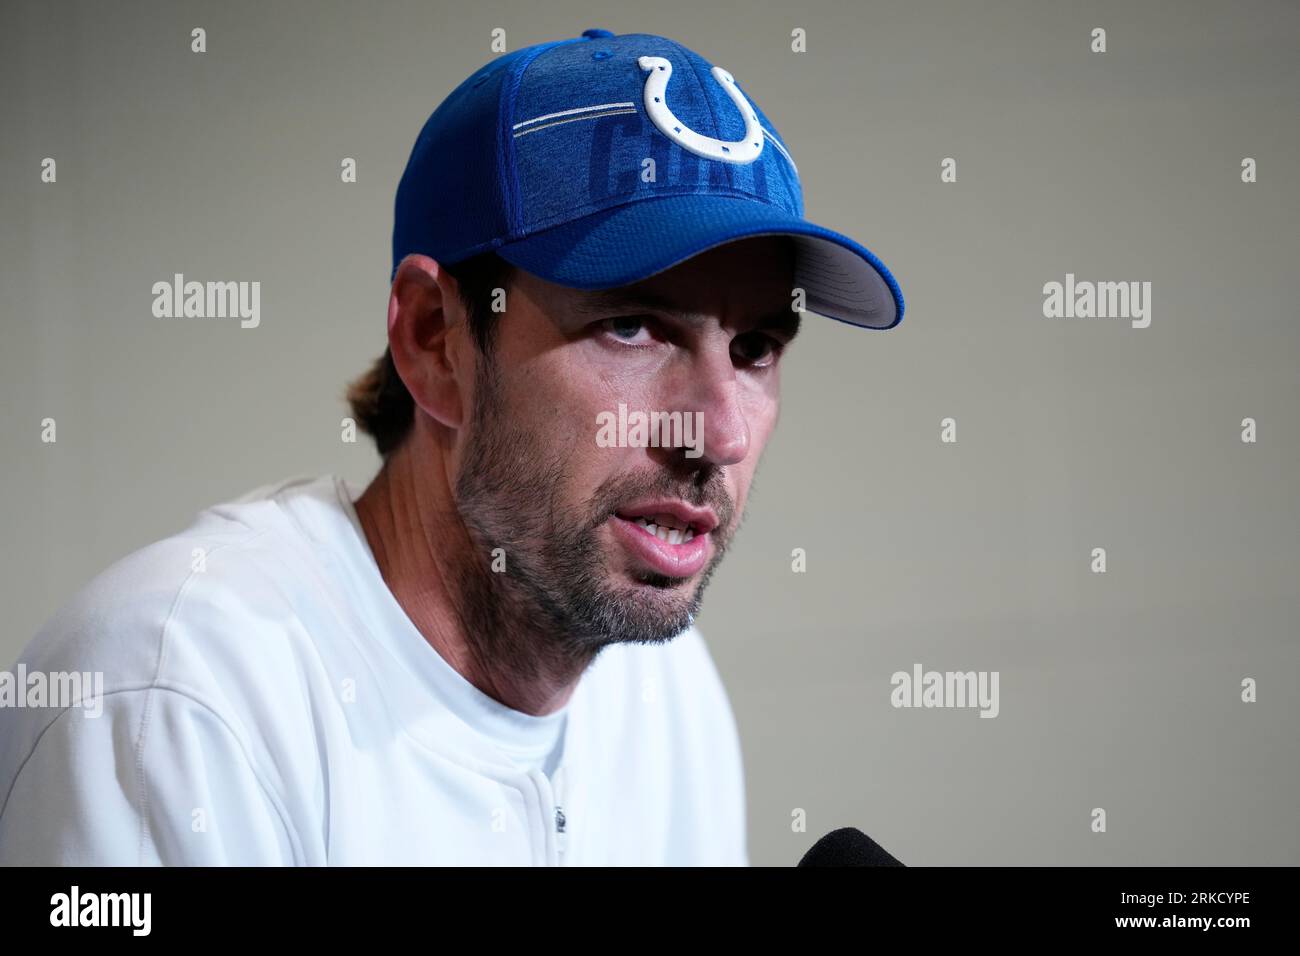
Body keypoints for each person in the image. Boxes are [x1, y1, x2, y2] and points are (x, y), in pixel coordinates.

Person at [0, 28, 903, 865]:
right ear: (436, 341)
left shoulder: (666, 694)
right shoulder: (172, 700)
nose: (720, 433)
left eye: (755, 350)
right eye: (634, 328)